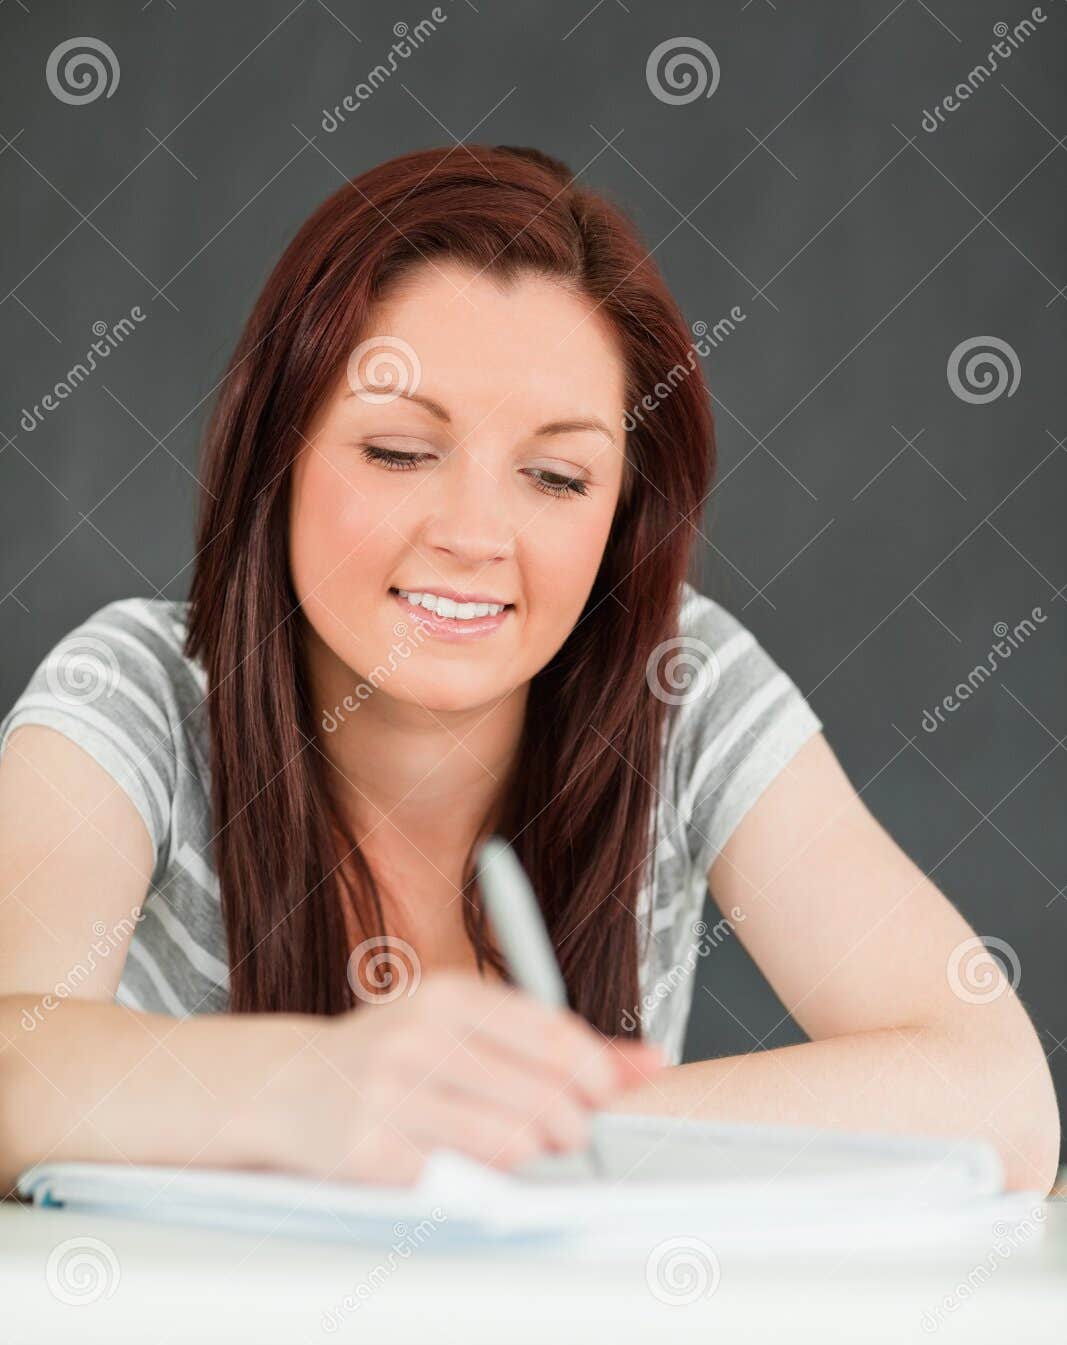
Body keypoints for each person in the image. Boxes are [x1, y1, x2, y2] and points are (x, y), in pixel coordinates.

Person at [0, 145, 1057, 1194]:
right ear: (273, 456)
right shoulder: (135, 691)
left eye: (554, 477)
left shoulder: (674, 684)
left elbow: (997, 1099)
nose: (473, 534)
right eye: (399, 452)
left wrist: (516, 1126)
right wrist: (318, 1088)